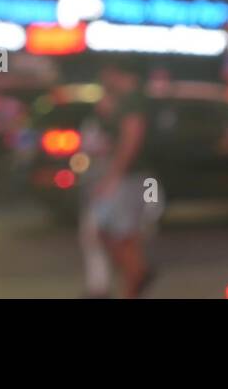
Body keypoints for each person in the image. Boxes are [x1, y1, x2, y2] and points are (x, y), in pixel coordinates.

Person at [79, 62, 160, 298]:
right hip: (134, 177)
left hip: (131, 178)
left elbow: (131, 140)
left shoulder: (133, 101)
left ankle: (139, 275)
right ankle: (138, 277)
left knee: (117, 234)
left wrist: (113, 177)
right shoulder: (130, 99)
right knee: (116, 233)